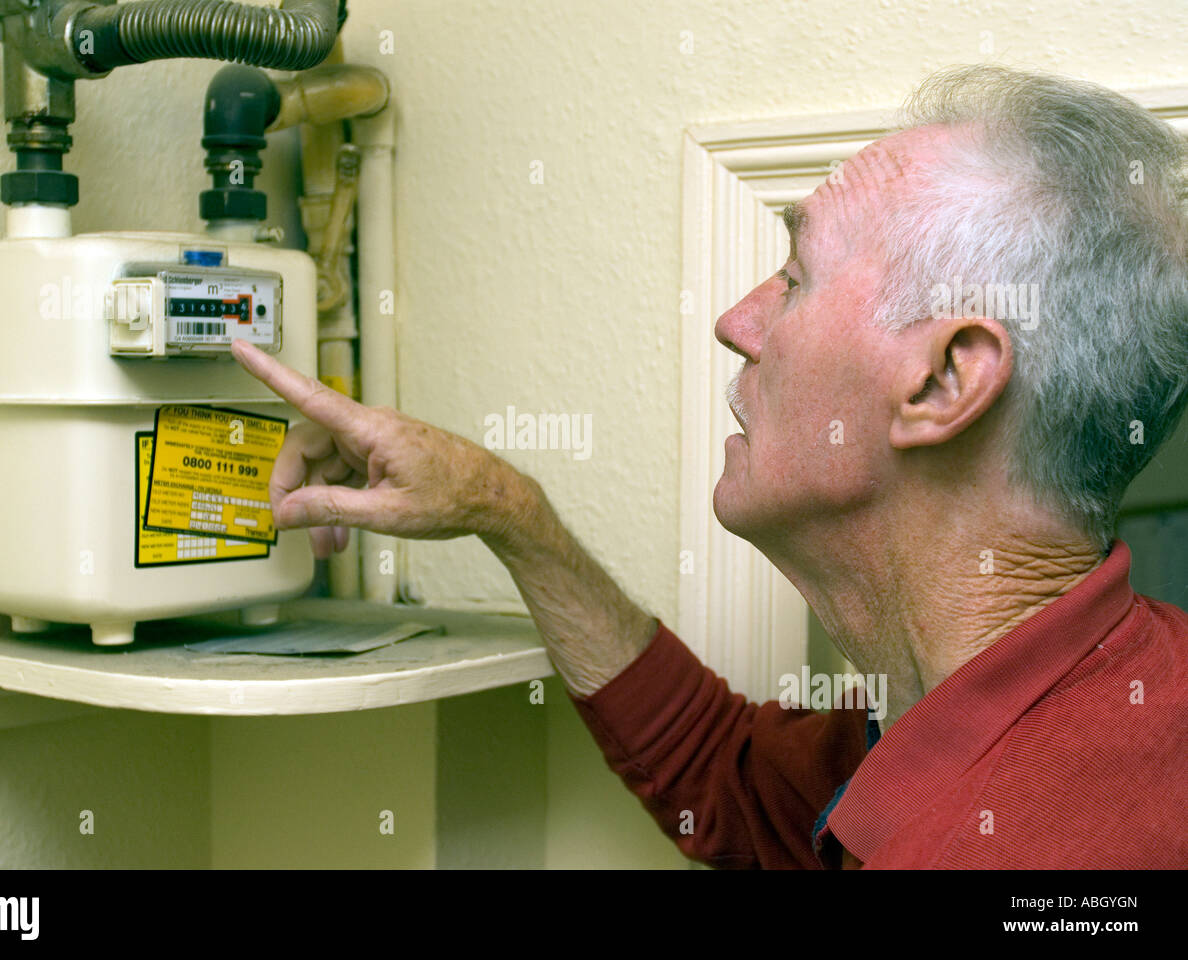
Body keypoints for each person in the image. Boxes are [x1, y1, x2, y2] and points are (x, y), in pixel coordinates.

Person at [231, 64, 1188, 869]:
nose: (738, 321)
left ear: (942, 383)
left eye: (797, 276)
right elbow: (725, 779)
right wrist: (502, 507)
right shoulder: (1022, 707)